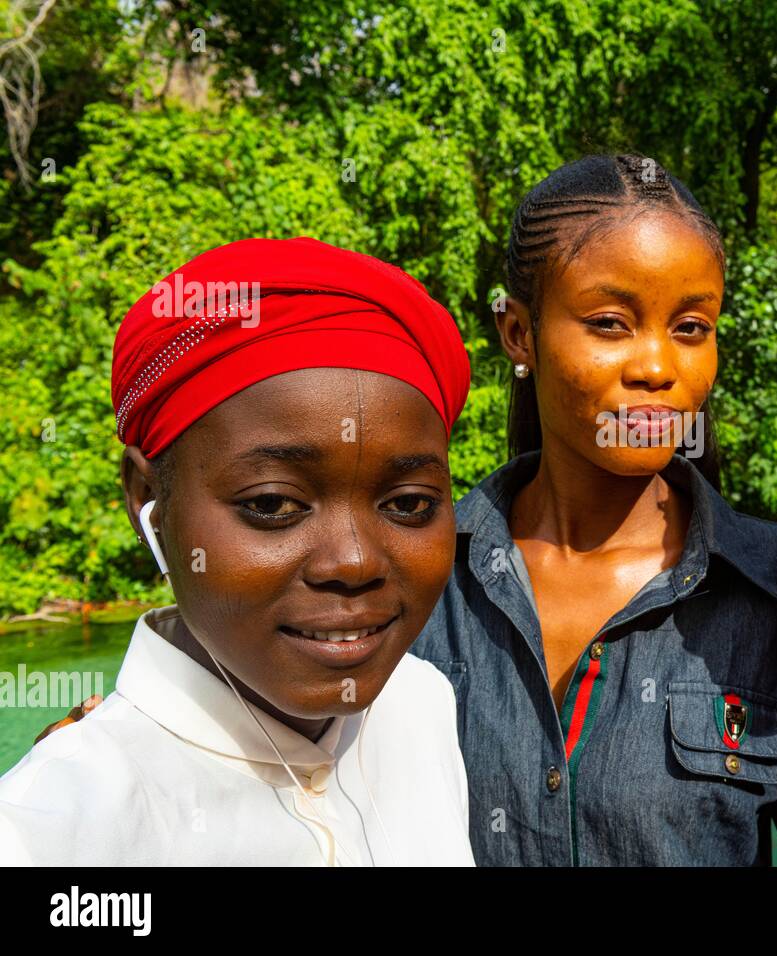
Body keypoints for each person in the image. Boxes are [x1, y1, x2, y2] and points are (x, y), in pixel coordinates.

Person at [412, 155, 777, 866]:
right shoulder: (426, 575)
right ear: (518, 333)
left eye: (692, 327)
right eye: (611, 323)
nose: (656, 364)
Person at [0, 238, 476, 866]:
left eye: (408, 503)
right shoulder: (52, 831)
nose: (356, 562)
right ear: (149, 500)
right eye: (275, 505)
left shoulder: (421, 705)